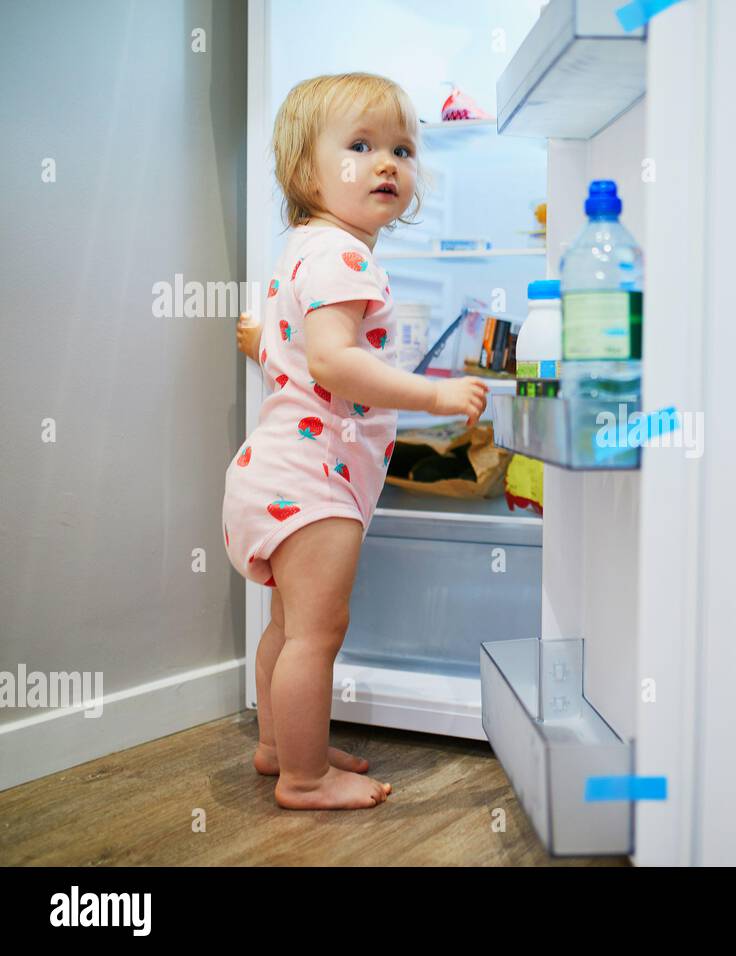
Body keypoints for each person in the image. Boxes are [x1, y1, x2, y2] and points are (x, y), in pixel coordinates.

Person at [223, 73, 489, 809]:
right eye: (362, 146)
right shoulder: (345, 257)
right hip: (314, 478)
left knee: (287, 625)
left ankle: (282, 745)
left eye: (402, 149)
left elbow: (299, 355)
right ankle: (306, 778)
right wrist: (435, 392)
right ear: (308, 174)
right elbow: (336, 362)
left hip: (275, 472)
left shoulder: (306, 249)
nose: (388, 163)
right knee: (317, 631)